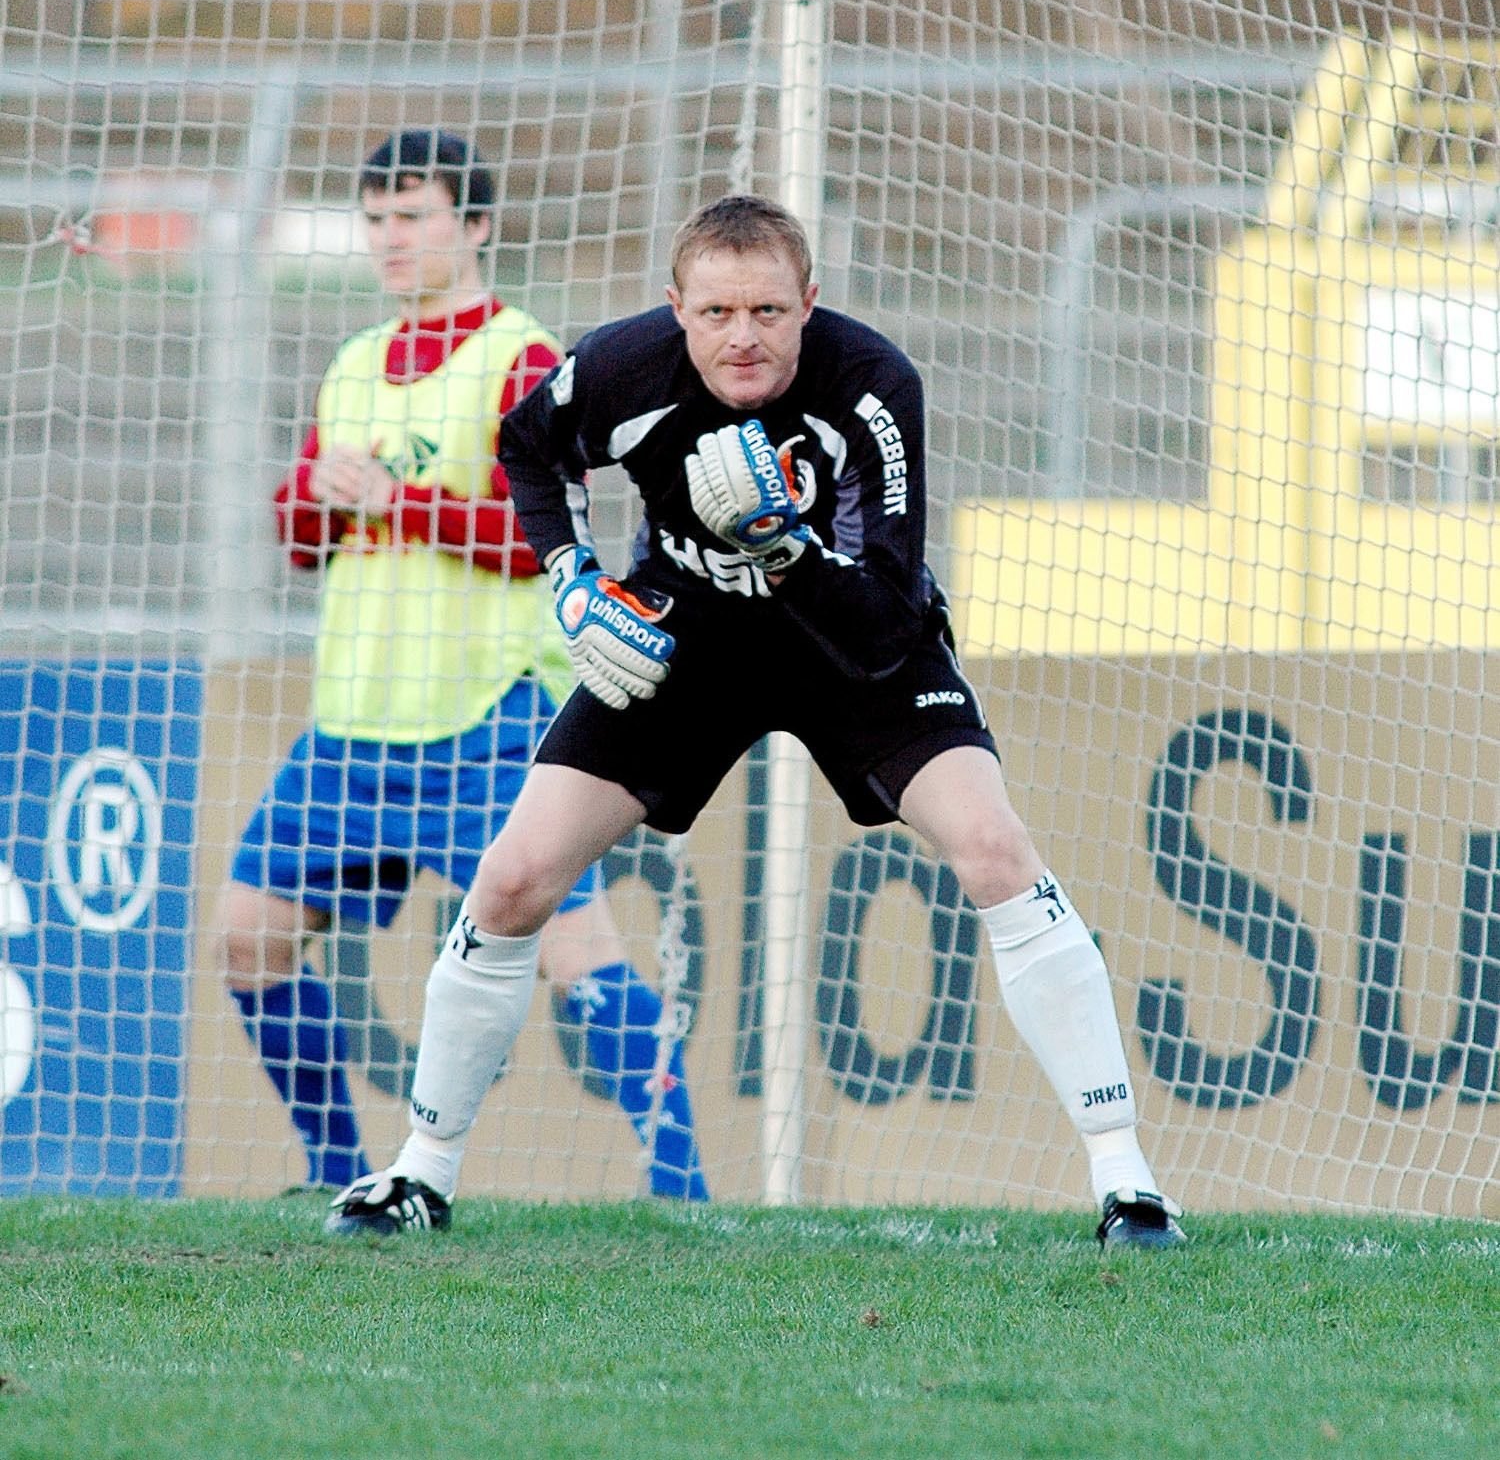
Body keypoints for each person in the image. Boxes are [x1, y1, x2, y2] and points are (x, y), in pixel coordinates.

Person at [326, 192, 1182, 1248]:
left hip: (851, 633)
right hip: (687, 641)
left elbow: (882, 619)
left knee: (996, 849)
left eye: (770, 311)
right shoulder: (621, 366)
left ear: (809, 302)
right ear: (674, 307)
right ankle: (421, 1173)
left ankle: (1128, 1182)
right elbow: (527, 446)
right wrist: (572, 577)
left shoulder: (872, 386)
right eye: (719, 310)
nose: (744, 335)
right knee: (510, 880)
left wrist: (781, 542)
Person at [218, 129, 707, 1203]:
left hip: (487, 716)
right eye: (378, 219)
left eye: (414, 216)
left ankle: (682, 1183)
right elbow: (300, 534)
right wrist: (320, 498)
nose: (391, 238)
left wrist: (399, 501)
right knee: (249, 935)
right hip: (354, 722)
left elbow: (543, 532)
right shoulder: (355, 363)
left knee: (577, 951)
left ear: (475, 226)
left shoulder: (524, 358)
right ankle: (335, 1168)